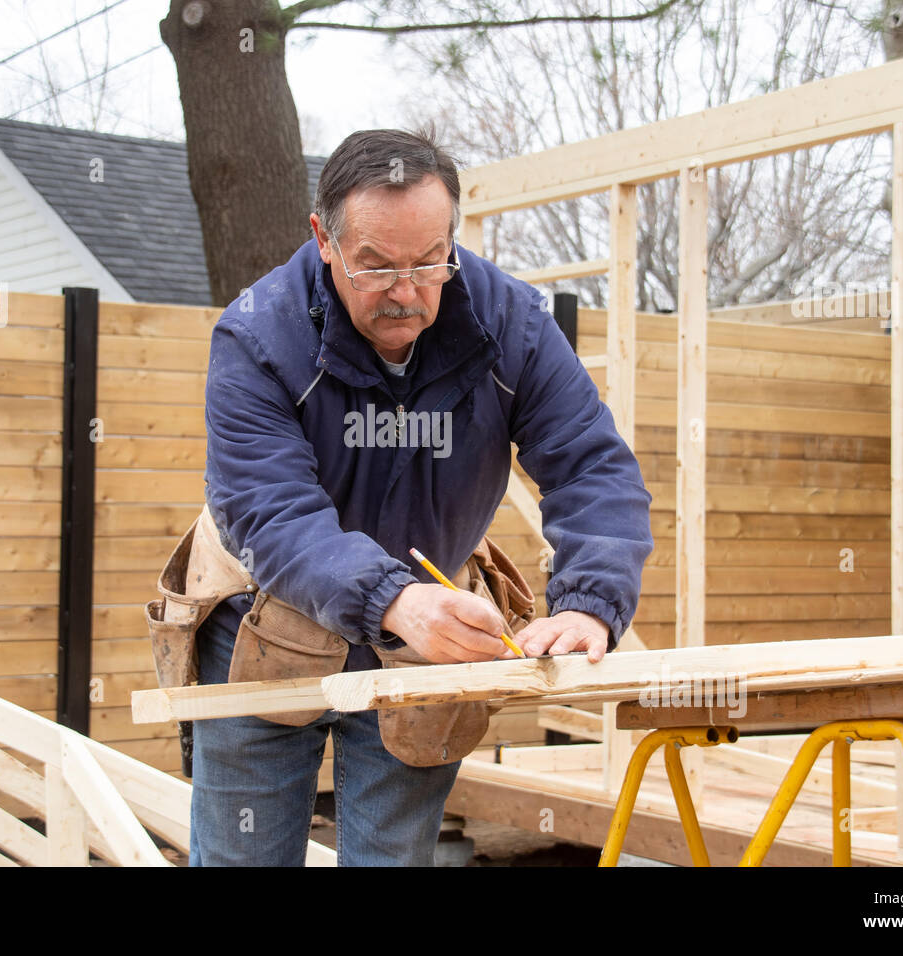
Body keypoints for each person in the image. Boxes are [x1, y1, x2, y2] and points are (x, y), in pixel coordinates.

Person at [177, 126, 652, 866]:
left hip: (428, 639)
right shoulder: (257, 336)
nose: (406, 293)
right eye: (376, 268)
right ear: (324, 239)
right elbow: (270, 512)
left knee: (391, 857)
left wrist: (591, 598)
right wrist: (393, 601)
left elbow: (592, 467)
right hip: (261, 622)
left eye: (431, 261)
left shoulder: (510, 324)